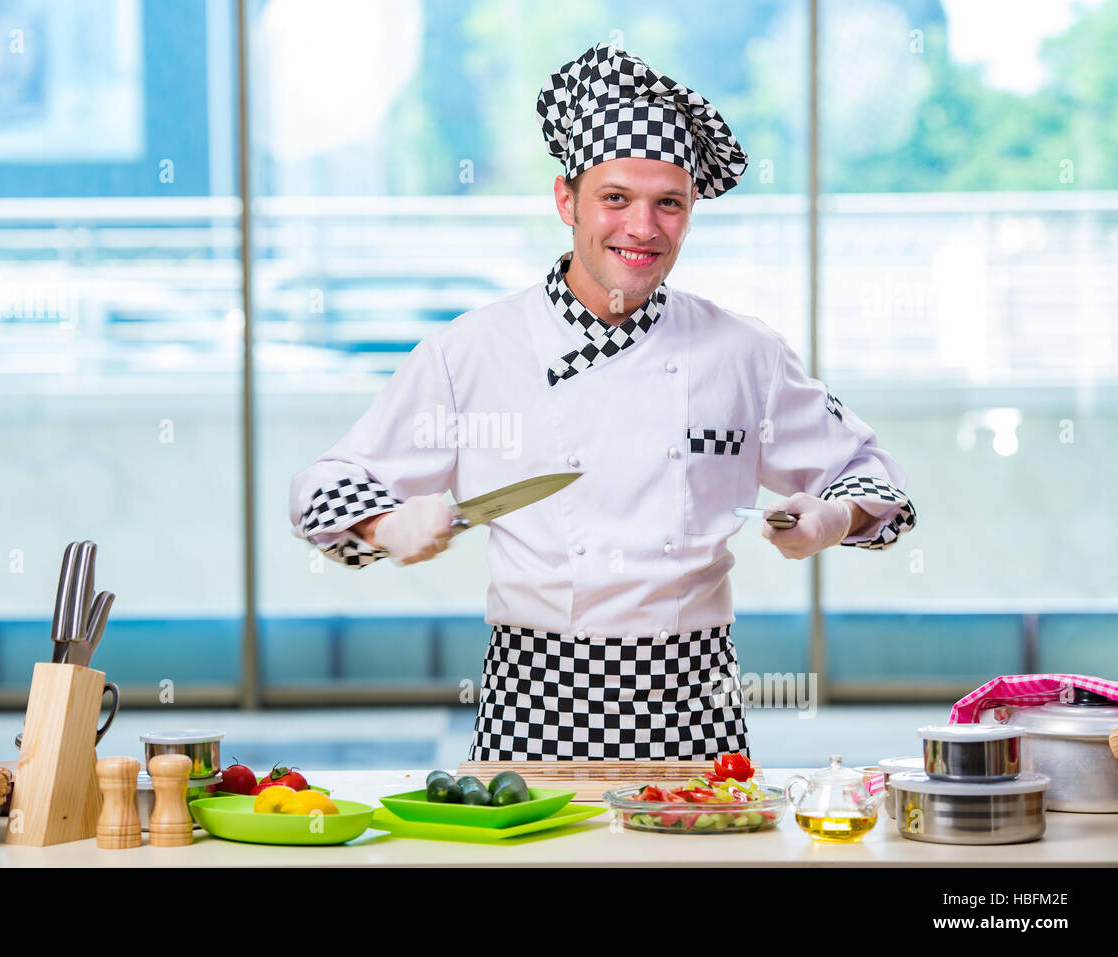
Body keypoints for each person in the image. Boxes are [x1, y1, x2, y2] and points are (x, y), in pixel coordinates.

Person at [289, 44, 916, 761]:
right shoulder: (471, 350)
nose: (642, 228)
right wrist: (382, 525)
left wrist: (835, 516)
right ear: (566, 200)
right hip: (533, 700)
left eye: (667, 204)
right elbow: (318, 493)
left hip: (697, 705)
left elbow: (876, 477)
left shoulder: (746, 353)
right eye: (615, 198)